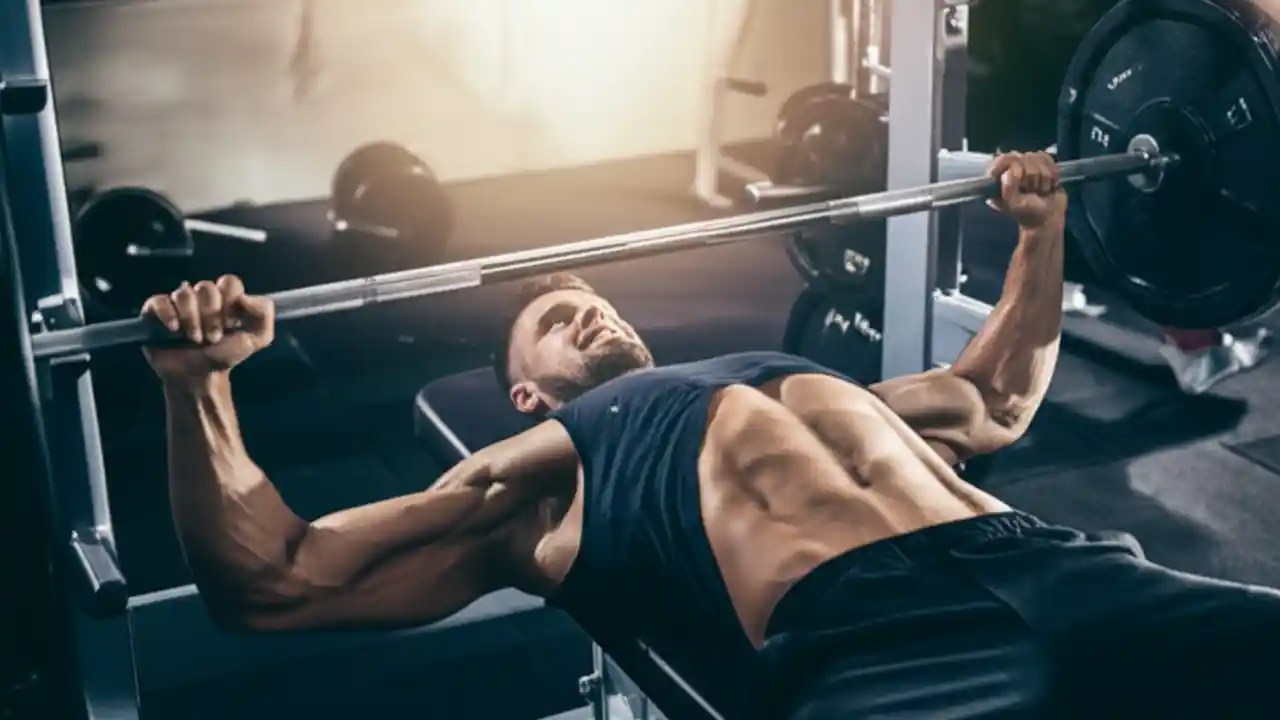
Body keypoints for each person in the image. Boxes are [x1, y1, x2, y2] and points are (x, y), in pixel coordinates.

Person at [142, 152, 1279, 719]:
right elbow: (275, 580)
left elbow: (991, 403)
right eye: (554, 320)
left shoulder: (802, 384)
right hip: (886, 652)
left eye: (594, 300)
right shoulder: (538, 474)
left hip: (1063, 571)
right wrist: (201, 387)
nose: (588, 311)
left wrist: (1042, 230)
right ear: (525, 393)